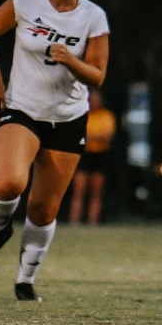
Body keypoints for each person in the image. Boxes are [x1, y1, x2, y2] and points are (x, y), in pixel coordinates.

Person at [0, 0, 110, 301]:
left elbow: (97, 76)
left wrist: (70, 60)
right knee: (8, 183)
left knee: (43, 208)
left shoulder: (93, 17)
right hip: (23, 109)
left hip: (68, 118)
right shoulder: (24, 3)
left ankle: (25, 281)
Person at [68, 89, 118, 226]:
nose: (93, 101)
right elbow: (79, 135)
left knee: (96, 191)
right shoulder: (83, 115)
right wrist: (96, 137)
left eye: (96, 98)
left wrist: (90, 137)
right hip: (84, 155)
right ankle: (75, 222)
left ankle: (92, 223)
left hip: (100, 156)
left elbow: (108, 136)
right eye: (91, 99)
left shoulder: (106, 115)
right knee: (79, 190)